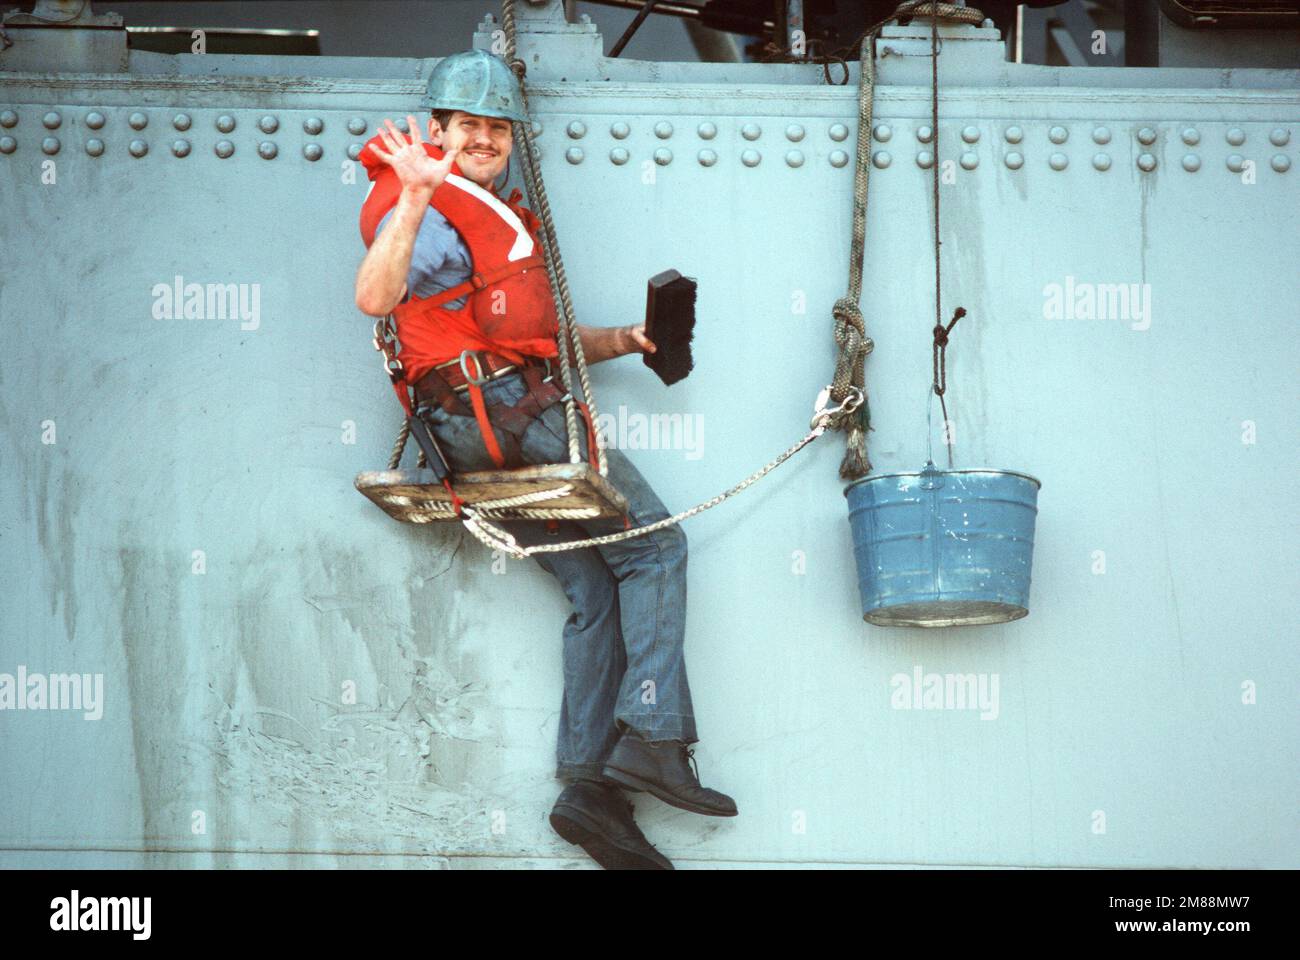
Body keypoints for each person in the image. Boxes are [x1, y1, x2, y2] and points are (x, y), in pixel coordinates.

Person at [353, 50, 736, 871]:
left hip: (473, 422)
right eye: (469, 126)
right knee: (657, 546)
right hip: (501, 419)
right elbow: (376, 296)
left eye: (497, 127)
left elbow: (527, 341)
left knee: (596, 584)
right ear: (439, 132)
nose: (485, 139)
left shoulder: (484, 216)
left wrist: (624, 342)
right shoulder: (416, 203)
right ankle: (656, 736)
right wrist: (418, 192)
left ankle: (589, 792)